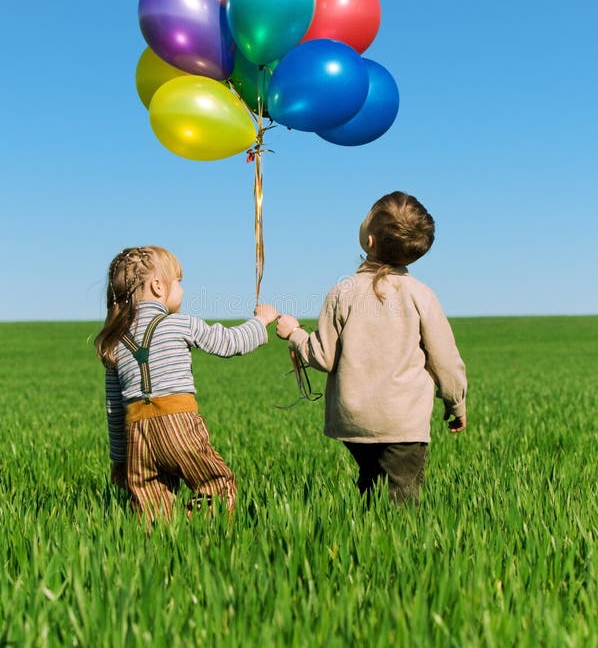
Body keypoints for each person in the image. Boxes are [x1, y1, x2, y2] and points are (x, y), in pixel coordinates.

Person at [276, 191, 467, 507]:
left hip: (354, 421)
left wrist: (294, 334)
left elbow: (323, 356)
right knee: (401, 502)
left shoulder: (344, 291)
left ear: (370, 242)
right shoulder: (420, 295)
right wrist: (455, 403)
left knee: (372, 488)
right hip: (402, 422)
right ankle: (396, 552)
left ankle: (368, 547)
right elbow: (445, 360)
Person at [95, 246, 278, 520]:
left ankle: (155, 548)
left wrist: (120, 460)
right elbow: (229, 343)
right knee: (216, 483)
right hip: (178, 424)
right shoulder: (179, 324)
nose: (181, 287)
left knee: (150, 505)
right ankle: (204, 533)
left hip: (136, 436)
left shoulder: (116, 343)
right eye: (178, 281)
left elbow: (114, 410)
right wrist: (260, 321)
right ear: (158, 286)